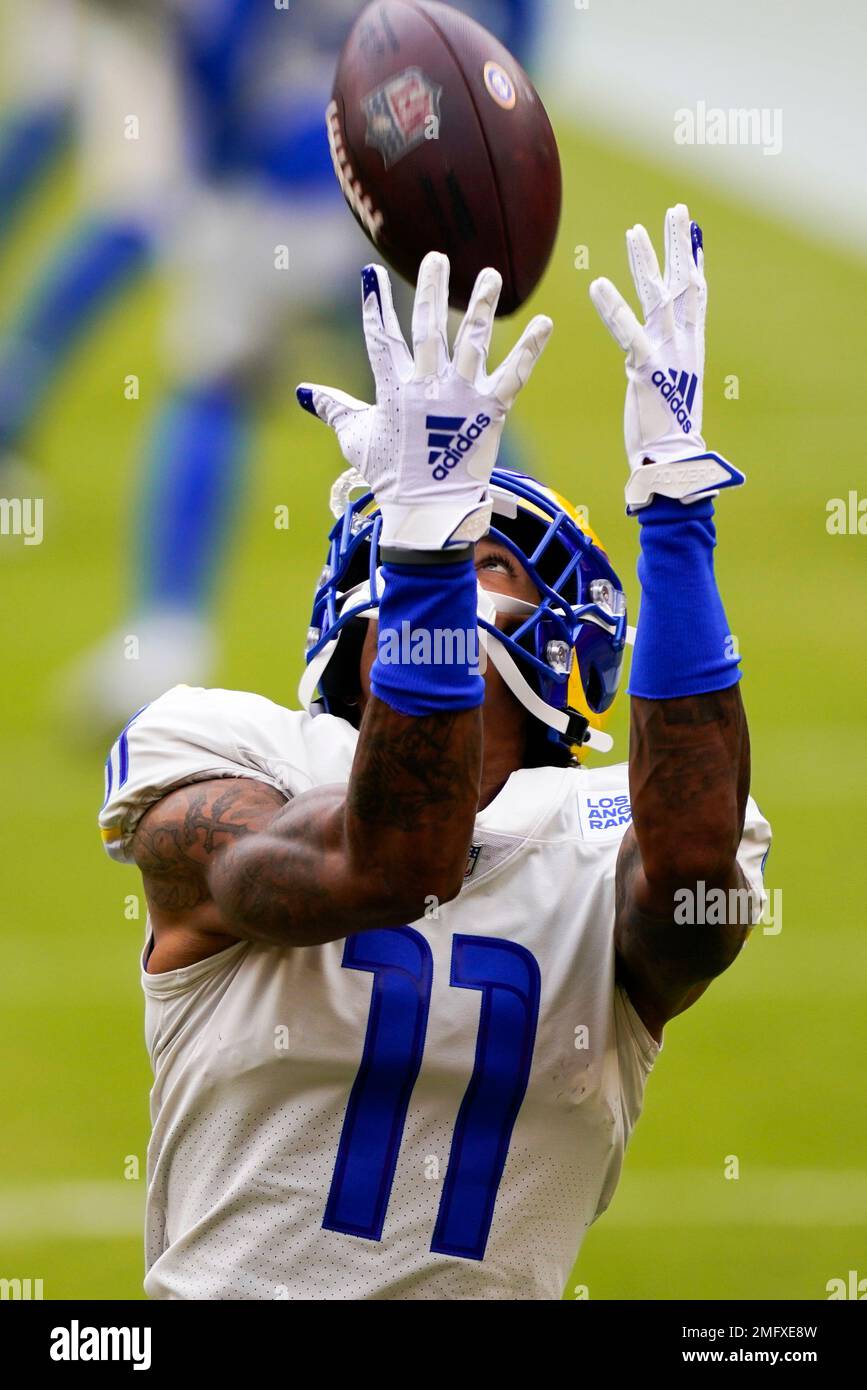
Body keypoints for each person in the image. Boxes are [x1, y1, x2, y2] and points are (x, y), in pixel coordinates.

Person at [98, 209, 771, 1300]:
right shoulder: (227, 755)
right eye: (427, 545)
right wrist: (424, 552)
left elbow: (694, 876)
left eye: (485, 556)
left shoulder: (605, 835)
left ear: (568, 640)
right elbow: (394, 864)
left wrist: (677, 512)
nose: (450, 557)